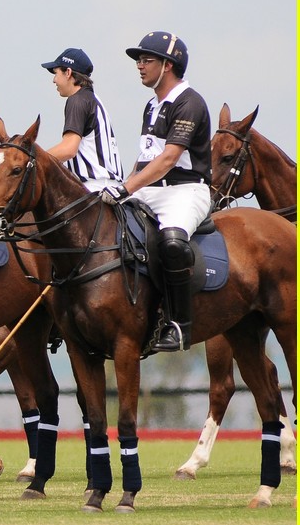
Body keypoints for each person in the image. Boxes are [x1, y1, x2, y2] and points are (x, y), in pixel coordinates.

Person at [104, 31, 211, 352]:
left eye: (146, 60)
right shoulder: (152, 105)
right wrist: (123, 184)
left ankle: (179, 325)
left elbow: (168, 159)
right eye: (139, 60)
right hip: (150, 189)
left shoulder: (189, 102)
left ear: (168, 65)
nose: (139, 65)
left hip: (186, 190)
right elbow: (147, 157)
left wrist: (125, 188)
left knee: (173, 242)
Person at [40, 47, 124, 192]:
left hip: (92, 187)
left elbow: (68, 149)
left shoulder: (77, 100)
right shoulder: (91, 98)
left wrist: (34, 161)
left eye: (56, 73)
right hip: (109, 186)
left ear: (68, 72)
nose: (54, 80)